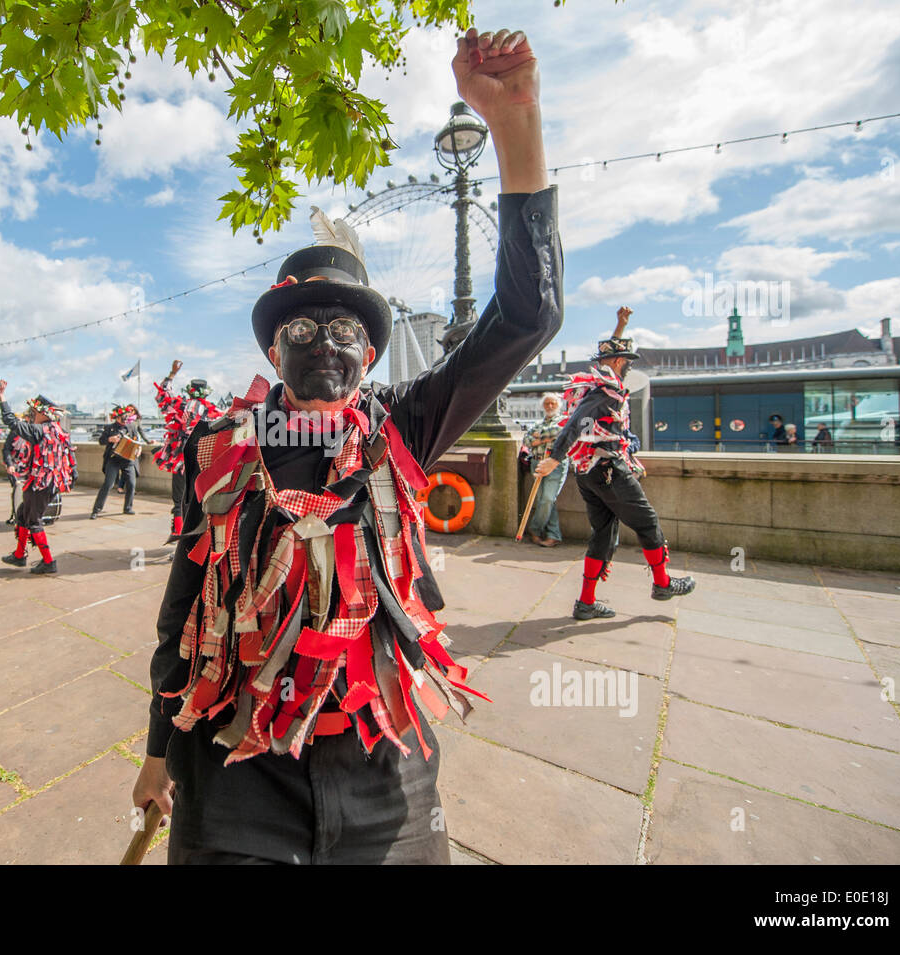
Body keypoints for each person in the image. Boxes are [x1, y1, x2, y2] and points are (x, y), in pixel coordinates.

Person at [132, 26, 563, 865]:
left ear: (369, 353)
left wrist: (516, 125)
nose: (325, 341)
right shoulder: (220, 450)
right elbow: (185, 602)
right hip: (233, 764)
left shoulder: (406, 423)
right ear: (272, 352)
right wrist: (157, 745)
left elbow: (526, 316)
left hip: (382, 766)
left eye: (345, 327)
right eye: (302, 326)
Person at [536, 306, 696, 620]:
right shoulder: (606, 394)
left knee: (604, 534)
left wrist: (620, 326)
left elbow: (611, 355)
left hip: (589, 474)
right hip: (609, 472)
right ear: (621, 364)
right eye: (627, 363)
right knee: (648, 524)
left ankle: (585, 602)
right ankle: (663, 584)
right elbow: (574, 425)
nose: (627, 369)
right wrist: (555, 459)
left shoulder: (598, 386)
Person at [0, 382, 75, 574]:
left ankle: (48, 562)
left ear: (43, 413)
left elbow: (11, 421)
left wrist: (2, 397)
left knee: (34, 520)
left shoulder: (38, 430)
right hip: (47, 482)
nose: (31, 414)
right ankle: (18, 555)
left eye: (34, 411)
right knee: (23, 514)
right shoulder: (59, 430)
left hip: (42, 483)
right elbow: (70, 455)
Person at [154, 359, 222, 543]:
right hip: (202, 461)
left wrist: (172, 373)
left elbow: (162, 395)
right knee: (199, 501)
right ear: (206, 393)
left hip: (181, 461)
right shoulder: (213, 412)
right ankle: (196, 538)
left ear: (189, 390)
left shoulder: (180, 405)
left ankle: (178, 535)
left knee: (179, 501)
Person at [522, 392, 568, 546]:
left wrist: (538, 438)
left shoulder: (564, 421)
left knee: (548, 499)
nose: (549, 406)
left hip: (555, 464)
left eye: (553, 403)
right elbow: (527, 440)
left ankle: (534, 529)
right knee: (545, 501)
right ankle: (553, 535)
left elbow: (558, 432)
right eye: (547, 403)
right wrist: (548, 438)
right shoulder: (536, 423)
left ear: (559, 405)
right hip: (537, 462)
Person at [91, 404, 144, 518]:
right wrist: (110, 439)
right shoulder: (110, 427)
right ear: (117, 417)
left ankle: (128, 508)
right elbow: (101, 440)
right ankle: (96, 510)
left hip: (128, 460)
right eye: (122, 417)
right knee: (108, 484)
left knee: (131, 484)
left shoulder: (132, 427)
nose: (125, 420)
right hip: (113, 459)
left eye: (126, 417)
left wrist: (139, 449)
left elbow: (137, 441)